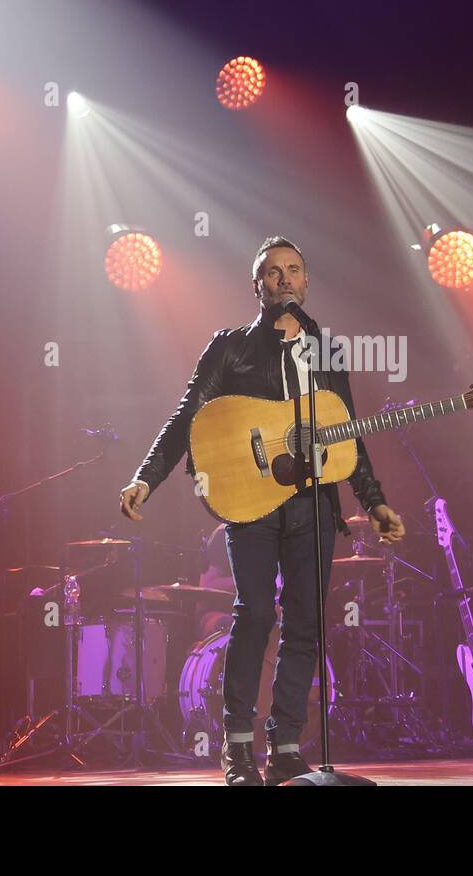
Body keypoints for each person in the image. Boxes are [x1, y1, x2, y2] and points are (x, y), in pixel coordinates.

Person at [120, 236, 405, 784]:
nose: (284, 280)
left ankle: (287, 747)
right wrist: (146, 478)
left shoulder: (326, 349)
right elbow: (186, 417)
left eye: (294, 270)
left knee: (307, 624)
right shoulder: (230, 347)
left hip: (315, 503)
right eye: (273, 272)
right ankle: (238, 747)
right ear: (257, 286)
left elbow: (346, 436)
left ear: (306, 281)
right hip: (249, 502)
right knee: (254, 614)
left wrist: (374, 501)